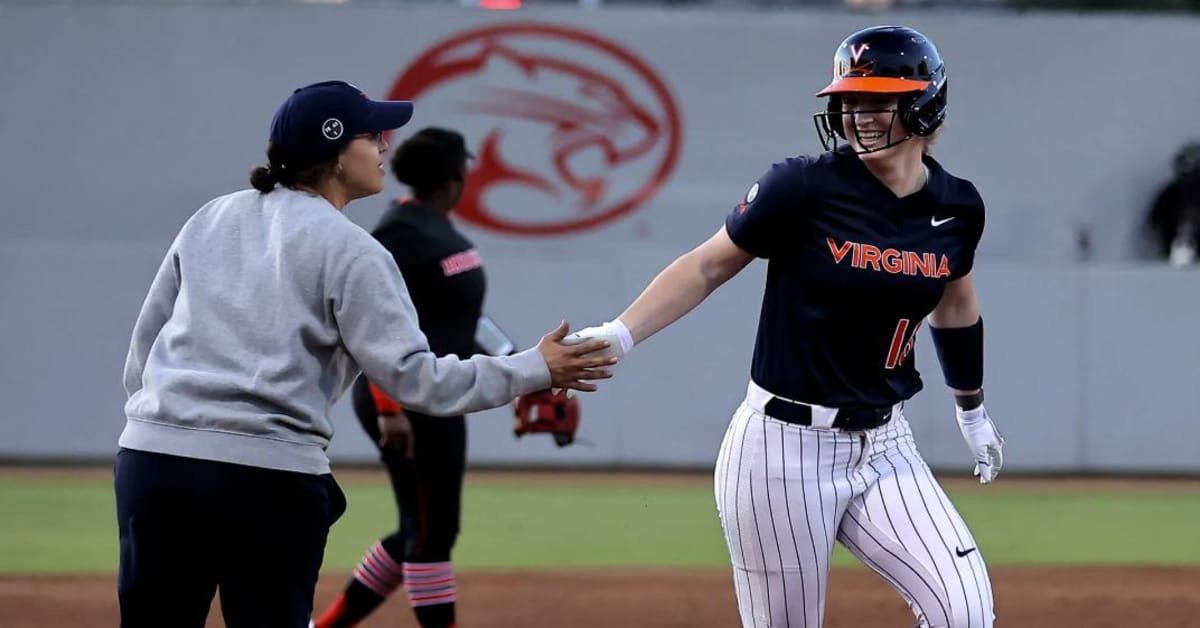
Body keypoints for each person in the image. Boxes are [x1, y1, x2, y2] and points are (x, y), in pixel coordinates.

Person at [114, 81, 615, 628]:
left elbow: (144, 349)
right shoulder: (353, 249)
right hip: (266, 477)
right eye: (372, 135)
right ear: (334, 151)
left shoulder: (209, 218)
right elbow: (418, 380)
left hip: (153, 465)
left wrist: (166, 424)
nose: (385, 147)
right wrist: (534, 367)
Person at [569, 26, 1002, 627]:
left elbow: (955, 306)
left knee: (967, 610)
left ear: (924, 104)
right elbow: (705, 265)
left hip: (885, 444)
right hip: (781, 449)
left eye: (878, 99)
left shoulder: (958, 206)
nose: (858, 114)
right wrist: (621, 332)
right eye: (850, 100)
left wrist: (971, 409)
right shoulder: (802, 186)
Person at [312, 127, 533, 628]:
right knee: (430, 533)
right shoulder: (399, 236)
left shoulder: (441, 232)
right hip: (406, 402)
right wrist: (390, 407)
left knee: (423, 526)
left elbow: (468, 320)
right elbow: (369, 326)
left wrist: (522, 369)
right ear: (457, 175)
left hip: (441, 394)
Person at [1145, 141, 1200, 266]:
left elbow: (1153, 223)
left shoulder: (1171, 191)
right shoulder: (1171, 192)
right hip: (1176, 253)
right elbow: (1154, 221)